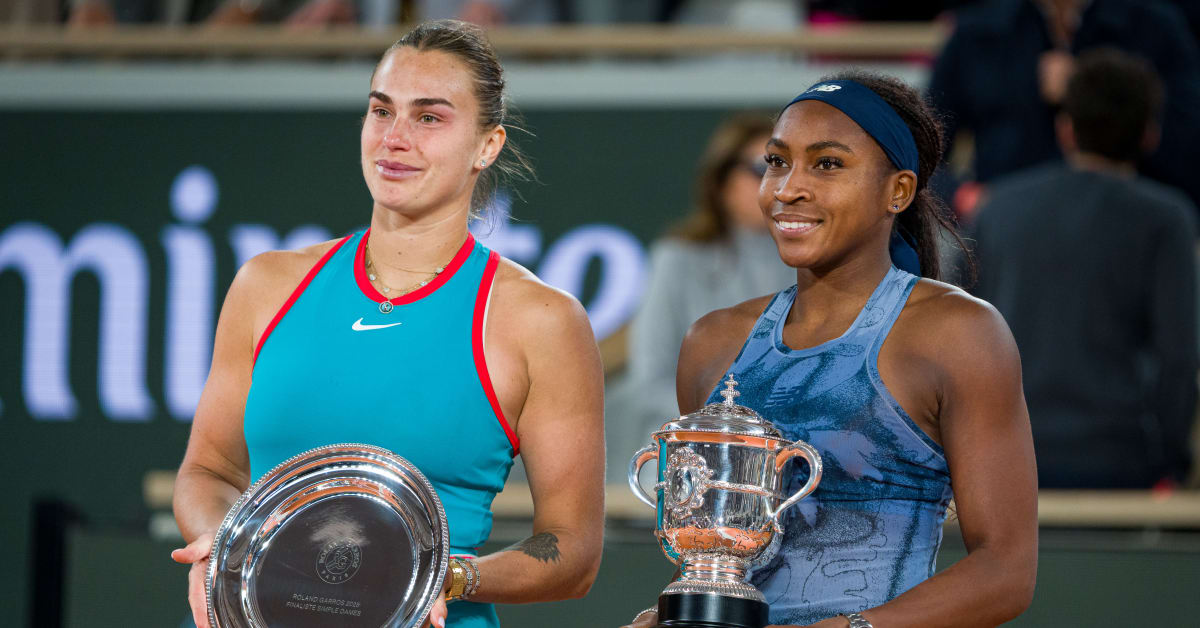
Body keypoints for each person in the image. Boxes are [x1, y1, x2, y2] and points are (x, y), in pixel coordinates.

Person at [169, 20, 605, 628]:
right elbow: (209, 471)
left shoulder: (543, 320)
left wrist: (440, 574)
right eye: (382, 111)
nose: (394, 139)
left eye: (429, 117)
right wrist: (228, 548)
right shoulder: (265, 284)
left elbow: (573, 552)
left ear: (487, 145)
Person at [627, 72, 1037, 627]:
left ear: (898, 191)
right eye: (776, 161)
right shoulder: (711, 343)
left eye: (827, 164)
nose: (788, 187)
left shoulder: (959, 333)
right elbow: (718, 557)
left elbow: (1005, 571)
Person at [970, 49, 1198, 489]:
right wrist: (1170, 460)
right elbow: (1179, 358)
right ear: (1149, 134)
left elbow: (954, 340)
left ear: (1065, 128)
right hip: (1118, 460)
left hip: (1001, 458)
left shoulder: (998, 208)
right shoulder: (1167, 219)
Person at [616, 113, 795, 447]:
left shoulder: (819, 265)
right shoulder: (678, 258)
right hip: (691, 448)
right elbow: (650, 379)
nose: (779, 184)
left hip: (791, 448)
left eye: (785, 167)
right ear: (722, 180)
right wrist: (734, 425)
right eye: (763, 167)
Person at [928, 0, 1200, 214]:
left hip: (1126, 226)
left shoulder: (1156, 27)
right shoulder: (976, 33)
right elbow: (923, 155)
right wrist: (965, 197)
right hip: (1013, 231)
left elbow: (1185, 146)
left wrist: (1092, 87)